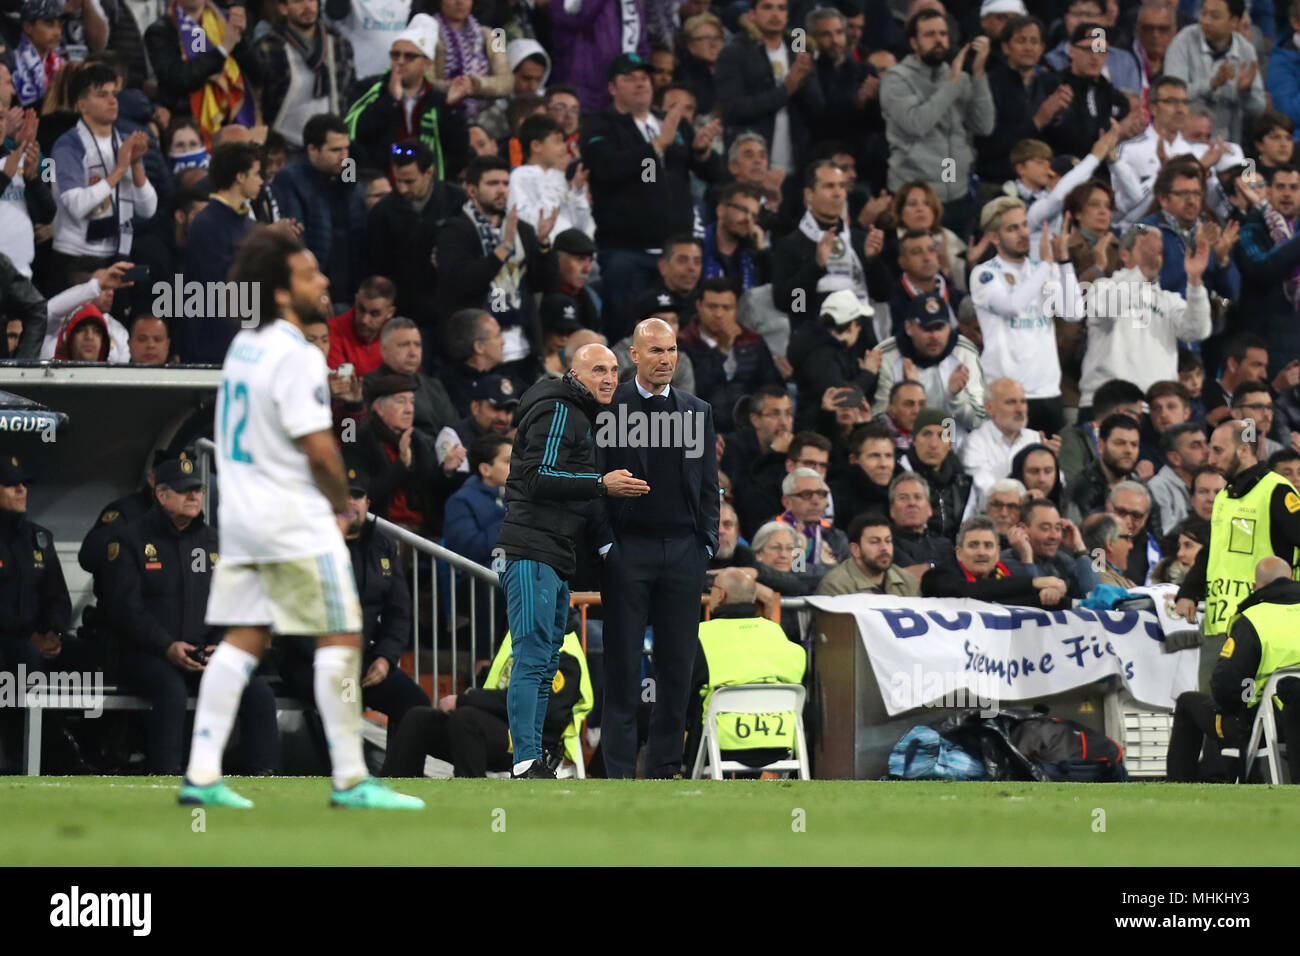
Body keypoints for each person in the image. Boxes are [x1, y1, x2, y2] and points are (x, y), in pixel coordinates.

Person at [177, 227, 422, 809]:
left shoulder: (245, 345)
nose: (325, 282)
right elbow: (317, 446)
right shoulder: (296, 354)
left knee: (244, 637)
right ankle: (349, 779)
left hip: (242, 515)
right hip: (290, 514)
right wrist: (342, 505)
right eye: (311, 274)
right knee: (340, 633)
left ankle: (203, 774)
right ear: (283, 291)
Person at [494, 342, 646, 779]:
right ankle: (524, 760)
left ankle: (532, 757)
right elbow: (539, 477)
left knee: (545, 659)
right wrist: (601, 483)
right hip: (531, 549)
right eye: (598, 369)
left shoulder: (580, 413)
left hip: (555, 552)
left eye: (615, 370)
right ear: (575, 375)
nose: (608, 378)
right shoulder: (560, 407)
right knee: (533, 654)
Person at [597, 318, 719, 780]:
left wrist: (707, 542)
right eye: (655, 351)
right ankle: (620, 773)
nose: (666, 359)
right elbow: (597, 479)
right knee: (622, 667)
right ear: (634, 355)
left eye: (671, 351)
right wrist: (607, 545)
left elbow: (709, 484)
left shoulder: (698, 411)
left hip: (685, 552)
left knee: (678, 668)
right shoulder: (609, 407)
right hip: (629, 552)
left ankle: (666, 767)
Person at [102, 456, 278, 775]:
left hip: (204, 654)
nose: (194, 496)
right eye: (185, 491)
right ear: (161, 495)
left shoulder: (215, 541)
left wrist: (221, 645)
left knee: (258, 692)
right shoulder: (130, 540)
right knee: (171, 690)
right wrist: (167, 646)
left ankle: (264, 778)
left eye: (197, 489)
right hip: (147, 655)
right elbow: (125, 610)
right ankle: (166, 775)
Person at [582, 53, 724, 339]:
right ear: (612, 87)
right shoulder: (600, 125)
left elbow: (713, 174)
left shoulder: (674, 122)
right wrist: (657, 144)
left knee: (678, 336)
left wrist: (701, 151)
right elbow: (606, 168)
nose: (640, 84)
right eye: (630, 78)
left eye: (644, 78)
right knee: (626, 333)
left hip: (675, 254)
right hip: (626, 252)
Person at [276, 484, 429, 750]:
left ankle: (401, 777)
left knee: (415, 704)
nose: (350, 503)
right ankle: (338, 777)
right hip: (309, 659)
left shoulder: (382, 545)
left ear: (367, 502)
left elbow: (399, 613)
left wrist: (384, 658)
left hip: (362, 659)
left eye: (357, 496)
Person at [381, 614, 587, 777]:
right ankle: (395, 788)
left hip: (530, 743)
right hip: (493, 726)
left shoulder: (565, 657)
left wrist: (465, 700)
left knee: (467, 720)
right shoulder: (523, 641)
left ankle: (471, 792)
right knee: (418, 718)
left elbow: (530, 706)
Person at [1169, 555, 1300, 782]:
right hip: (1292, 718)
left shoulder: (1252, 620)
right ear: (1292, 578)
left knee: (1190, 703)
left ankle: (1180, 787)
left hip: (1268, 722)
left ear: (1255, 587)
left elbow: (1226, 688)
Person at [1175, 419, 1300, 630]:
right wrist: (1188, 592)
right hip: (1223, 623)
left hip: (1266, 624)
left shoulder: (1276, 491)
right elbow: (1213, 551)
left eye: (1218, 451)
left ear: (1243, 450)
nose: (1211, 459)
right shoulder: (1224, 497)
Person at [969, 196, 1080, 434]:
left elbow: (1073, 313)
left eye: (1024, 225)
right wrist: (1046, 265)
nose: (1023, 233)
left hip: (1048, 391)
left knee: (1049, 468)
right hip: (1006, 394)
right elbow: (1012, 305)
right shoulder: (984, 274)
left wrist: (1064, 262)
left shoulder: (1040, 269)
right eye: (1012, 228)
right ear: (994, 237)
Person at [434, 154, 556, 369]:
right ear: (471, 190)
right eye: (492, 184)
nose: (501, 190)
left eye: (505, 183)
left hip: (523, 348)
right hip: (476, 353)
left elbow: (542, 284)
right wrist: (503, 249)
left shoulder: (521, 229)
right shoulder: (454, 230)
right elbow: (461, 283)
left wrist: (544, 244)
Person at [880, 8, 994, 236]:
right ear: (914, 42)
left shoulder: (957, 75)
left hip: (958, 192)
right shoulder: (896, 78)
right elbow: (916, 123)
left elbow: (984, 126)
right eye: (930, 34)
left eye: (943, 34)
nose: (939, 40)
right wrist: (951, 86)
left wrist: (978, 74)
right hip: (916, 199)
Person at [683, 567, 807, 772]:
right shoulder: (776, 633)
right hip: (778, 744)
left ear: (721, 595)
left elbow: (683, 694)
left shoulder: (701, 635)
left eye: (712, 589)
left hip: (718, 745)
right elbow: (797, 680)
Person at [50, 63, 157, 284]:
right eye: (102, 95)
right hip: (76, 257)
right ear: (82, 105)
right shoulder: (68, 145)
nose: (112, 101)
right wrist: (119, 170)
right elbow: (76, 205)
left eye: (114, 94)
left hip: (118, 253)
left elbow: (148, 209)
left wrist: (135, 164)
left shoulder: (125, 141)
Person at [343, 15, 469, 179]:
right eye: (395, 55)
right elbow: (355, 135)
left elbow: (459, 151)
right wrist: (390, 100)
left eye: (409, 56)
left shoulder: (439, 99)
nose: (400, 61)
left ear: (427, 63)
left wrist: (452, 108)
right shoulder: (369, 89)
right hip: (379, 184)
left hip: (427, 187)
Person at [714, 0, 824, 178]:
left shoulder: (798, 50)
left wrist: (805, 81)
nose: (775, 14)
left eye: (781, 8)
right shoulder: (734, 53)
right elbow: (733, 108)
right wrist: (785, 90)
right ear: (751, 14)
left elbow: (818, 109)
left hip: (796, 167)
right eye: (767, 7)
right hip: (751, 170)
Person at [346, 373, 463, 537]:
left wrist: (446, 470)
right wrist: (401, 466)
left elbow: (431, 487)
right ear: (379, 407)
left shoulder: (418, 441)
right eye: (401, 401)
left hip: (424, 534)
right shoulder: (361, 441)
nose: (409, 409)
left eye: (412, 402)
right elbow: (365, 494)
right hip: (383, 533)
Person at [272, 113, 366, 305]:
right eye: (335, 150)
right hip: (317, 287)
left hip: (352, 288)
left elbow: (359, 223)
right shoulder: (291, 178)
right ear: (312, 149)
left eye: (346, 148)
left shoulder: (347, 170)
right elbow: (296, 237)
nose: (344, 156)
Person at [873, 288, 987, 442]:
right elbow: (878, 422)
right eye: (926, 329)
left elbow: (980, 421)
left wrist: (956, 398)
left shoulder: (964, 352)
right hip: (901, 448)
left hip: (956, 447)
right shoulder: (886, 354)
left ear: (949, 327)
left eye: (940, 328)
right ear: (909, 328)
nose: (934, 336)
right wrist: (910, 390)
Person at [248, 0, 356, 149]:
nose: (307, 6)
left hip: (329, 147)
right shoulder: (268, 47)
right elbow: (256, 100)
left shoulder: (340, 44)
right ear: (283, 8)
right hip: (282, 146)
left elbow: (349, 91)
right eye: (298, 1)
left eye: (312, 0)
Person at [678, 277, 781, 433]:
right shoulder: (682, 344)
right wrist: (721, 350)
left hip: (750, 431)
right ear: (699, 306)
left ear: (736, 309)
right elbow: (691, 391)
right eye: (712, 307)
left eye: (726, 308)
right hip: (700, 430)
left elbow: (773, 387)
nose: (719, 314)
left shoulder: (752, 342)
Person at [143, 0, 256, 140]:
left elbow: (257, 73)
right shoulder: (160, 31)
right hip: (186, 128)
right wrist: (222, 50)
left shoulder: (224, 21)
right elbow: (179, 79)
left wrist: (241, 40)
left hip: (230, 119)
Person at [1164, 0, 1265, 143]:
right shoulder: (1183, 41)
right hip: (1185, 142)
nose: (1205, 20)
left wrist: (1245, 92)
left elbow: (1259, 108)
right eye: (1203, 13)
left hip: (1228, 144)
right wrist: (1212, 84)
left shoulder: (1246, 50)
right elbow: (1171, 96)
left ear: (1234, 21)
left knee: (1249, 163)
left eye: (1214, 16)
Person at [920, 515, 1068, 606]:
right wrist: (1034, 583)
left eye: (988, 545)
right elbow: (973, 591)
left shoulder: (1006, 577)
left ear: (997, 553)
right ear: (959, 553)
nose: (981, 552)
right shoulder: (936, 578)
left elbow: (1026, 602)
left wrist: (1050, 594)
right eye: (973, 545)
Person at [786, 287, 879, 432]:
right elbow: (842, 399)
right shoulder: (821, 354)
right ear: (852, 325)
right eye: (859, 325)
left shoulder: (825, 347)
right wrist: (869, 373)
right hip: (815, 431)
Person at [960, 377, 1055, 514]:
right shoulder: (974, 443)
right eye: (1011, 402)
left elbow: (1059, 482)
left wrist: (1052, 462)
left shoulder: (1036, 438)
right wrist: (1025, 499)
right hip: (993, 519)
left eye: (1023, 402)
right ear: (989, 408)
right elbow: (984, 489)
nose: (1020, 409)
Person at [361, 317, 459, 441]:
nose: (413, 353)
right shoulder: (367, 385)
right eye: (404, 345)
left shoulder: (433, 386)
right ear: (383, 350)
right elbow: (353, 433)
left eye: (417, 345)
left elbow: (453, 430)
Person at [723, 385, 795, 537]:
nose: (784, 422)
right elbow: (743, 494)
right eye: (775, 414)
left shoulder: (793, 448)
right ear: (755, 420)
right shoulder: (733, 447)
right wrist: (773, 455)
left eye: (788, 414)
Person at [509, 112, 593, 240]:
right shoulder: (520, 176)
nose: (564, 148)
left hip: (570, 249)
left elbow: (580, 224)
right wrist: (557, 177)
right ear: (536, 146)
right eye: (557, 142)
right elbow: (526, 220)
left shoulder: (559, 177)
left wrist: (577, 191)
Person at [1000, 497, 1099, 599]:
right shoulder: (1005, 562)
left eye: (1058, 528)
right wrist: (1027, 558)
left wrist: (1080, 549)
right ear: (1023, 529)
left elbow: (1093, 594)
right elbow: (1034, 600)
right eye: (1045, 528)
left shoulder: (1062, 560)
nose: (1054, 536)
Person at [902, 406, 973, 539]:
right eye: (926, 434)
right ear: (914, 440)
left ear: (949, 444)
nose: (934, 444)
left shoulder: (962, 482)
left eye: (942, 436)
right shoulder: (900, 477)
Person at [1063, 412, 1144, 523]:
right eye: (1120, 443)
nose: (1128, 450)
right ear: (1100, 446)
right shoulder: (1080, 489)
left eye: (1134, 444)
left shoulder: (1140, 486)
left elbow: (1155, 534)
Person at [817, 511, 922, 596]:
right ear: (855, 549)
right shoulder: (836, 587)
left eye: (888, 541)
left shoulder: (908, 581)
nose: (884, 548)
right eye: (875, 542)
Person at [436, 374, 516, 471]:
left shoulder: (517, 437)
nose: (503, 418)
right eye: (496, 408)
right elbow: (457, 481)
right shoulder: (453, 435)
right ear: (475, 407)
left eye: (508, 410)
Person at [774, 466, 848, 567]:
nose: (816, 501)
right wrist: (833, 571)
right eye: (806, 494)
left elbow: (848, 575)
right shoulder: (773, 533)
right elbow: (795, 572)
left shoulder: (836, 536)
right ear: (787, 502)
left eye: (821, 494)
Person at [829, 421, 896, 530]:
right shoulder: (836, 496)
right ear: (853, 459)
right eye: (874, 456)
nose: (883, 464)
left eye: (888, 456)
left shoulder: (900, 493)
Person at [1147, 421, 1209, 535]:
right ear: (1175, 458)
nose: (1207, 451)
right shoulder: (1158, 487)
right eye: (1196, 446)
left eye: (1205, 443)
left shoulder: (1212, 482)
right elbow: (1166, 535)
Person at [888, 472, 955, 575]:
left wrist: (930, 566)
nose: (912, 503)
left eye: (918, 497)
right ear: (892, 510)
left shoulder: (945, 546)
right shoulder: (885, 545)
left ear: (929, 509)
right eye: (903, 498)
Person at [326, 276, 393, 375]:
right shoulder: (332, 330)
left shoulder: (399, 335)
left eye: (374, 314)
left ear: (390, 312)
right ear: (356, 299)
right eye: (361, 309)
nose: (364, 320)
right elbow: (338, 384)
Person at [1081, 512, 1135, 587]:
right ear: (1110, 544)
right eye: (1127, 538)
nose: (1131, 546)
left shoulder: (1108, 573)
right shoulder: (1102, 579)